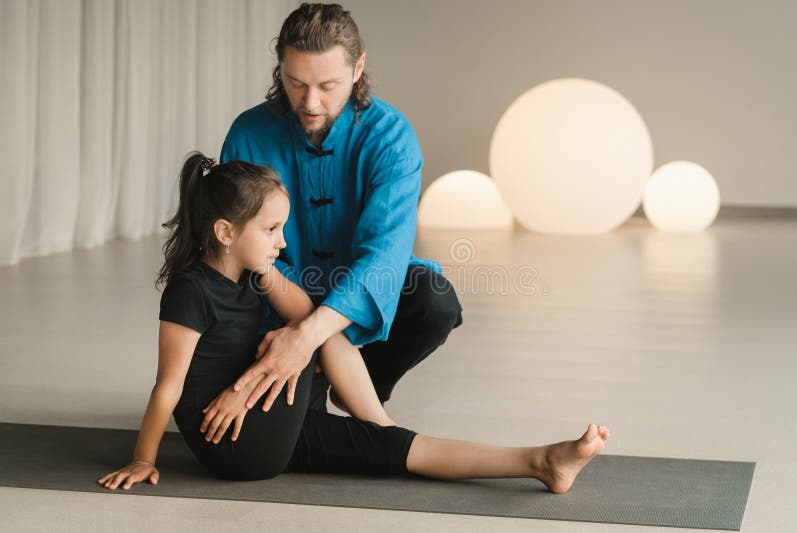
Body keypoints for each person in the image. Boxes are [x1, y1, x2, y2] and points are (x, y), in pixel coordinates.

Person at [97, 153, 609, 491]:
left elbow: (305, 316)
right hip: (239, 443)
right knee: (314, 333)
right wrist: (144, 458)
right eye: (272, 229)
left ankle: (543, 462)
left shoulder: (253, 276)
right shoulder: (190, 290)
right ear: (226, 232)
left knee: (378, 423)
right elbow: (168, 387)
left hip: (268, 429)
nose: (281, 242)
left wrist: (269, 275)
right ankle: (378, 423)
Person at [218, 2, 463, 415]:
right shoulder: (248, 133)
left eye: (327, 86)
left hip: (356, 290)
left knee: (433, 301)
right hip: (274, 297)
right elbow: (237, 248)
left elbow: (384, 254)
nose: (310, 102)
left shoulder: (391, 138)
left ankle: (363, 387)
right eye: (295, 83)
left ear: (357, 68)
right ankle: (322, 378)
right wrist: (294, 324)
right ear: (280, 68)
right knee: (288, 438)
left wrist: (309, 336)